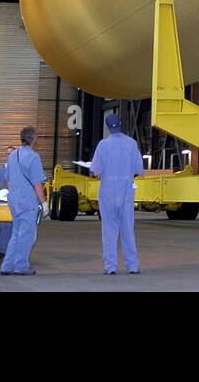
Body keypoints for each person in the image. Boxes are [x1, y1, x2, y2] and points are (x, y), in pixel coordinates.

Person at [90, 113, 143, 275]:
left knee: (109, 230)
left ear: (107, 127)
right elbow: (139, 169)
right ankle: (132, 265)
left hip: (108, 193)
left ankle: (110, 266)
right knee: (128, 229)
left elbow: (95, 170)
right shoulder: (131, 143)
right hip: (126, 192)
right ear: (121, 124)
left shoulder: (103, 145)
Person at [0, 127, 46, 276]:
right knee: (26, 235)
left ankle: (7, 266)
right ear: (34, 139)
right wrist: (43, 202)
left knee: (16, 234)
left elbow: (8, 180)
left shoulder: (13, 155)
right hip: (27, 201)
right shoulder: (34, 157)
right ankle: (21, 266)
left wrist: (15, 194)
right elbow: (37, 183)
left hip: (14, 199)